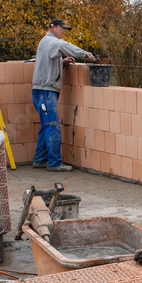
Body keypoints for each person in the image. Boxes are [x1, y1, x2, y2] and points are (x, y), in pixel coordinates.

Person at [32, 18, 95, 171]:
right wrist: (85, 54)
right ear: (53, 27)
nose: (63, 32)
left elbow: (48, 61)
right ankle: (54, 163)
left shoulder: (44, 42)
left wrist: (61, 62)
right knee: (53, 127)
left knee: (46, 126)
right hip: (46, 92)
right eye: (62, 29)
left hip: (42, 91)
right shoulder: (51, 41)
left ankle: (40, 159)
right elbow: (65, 46)